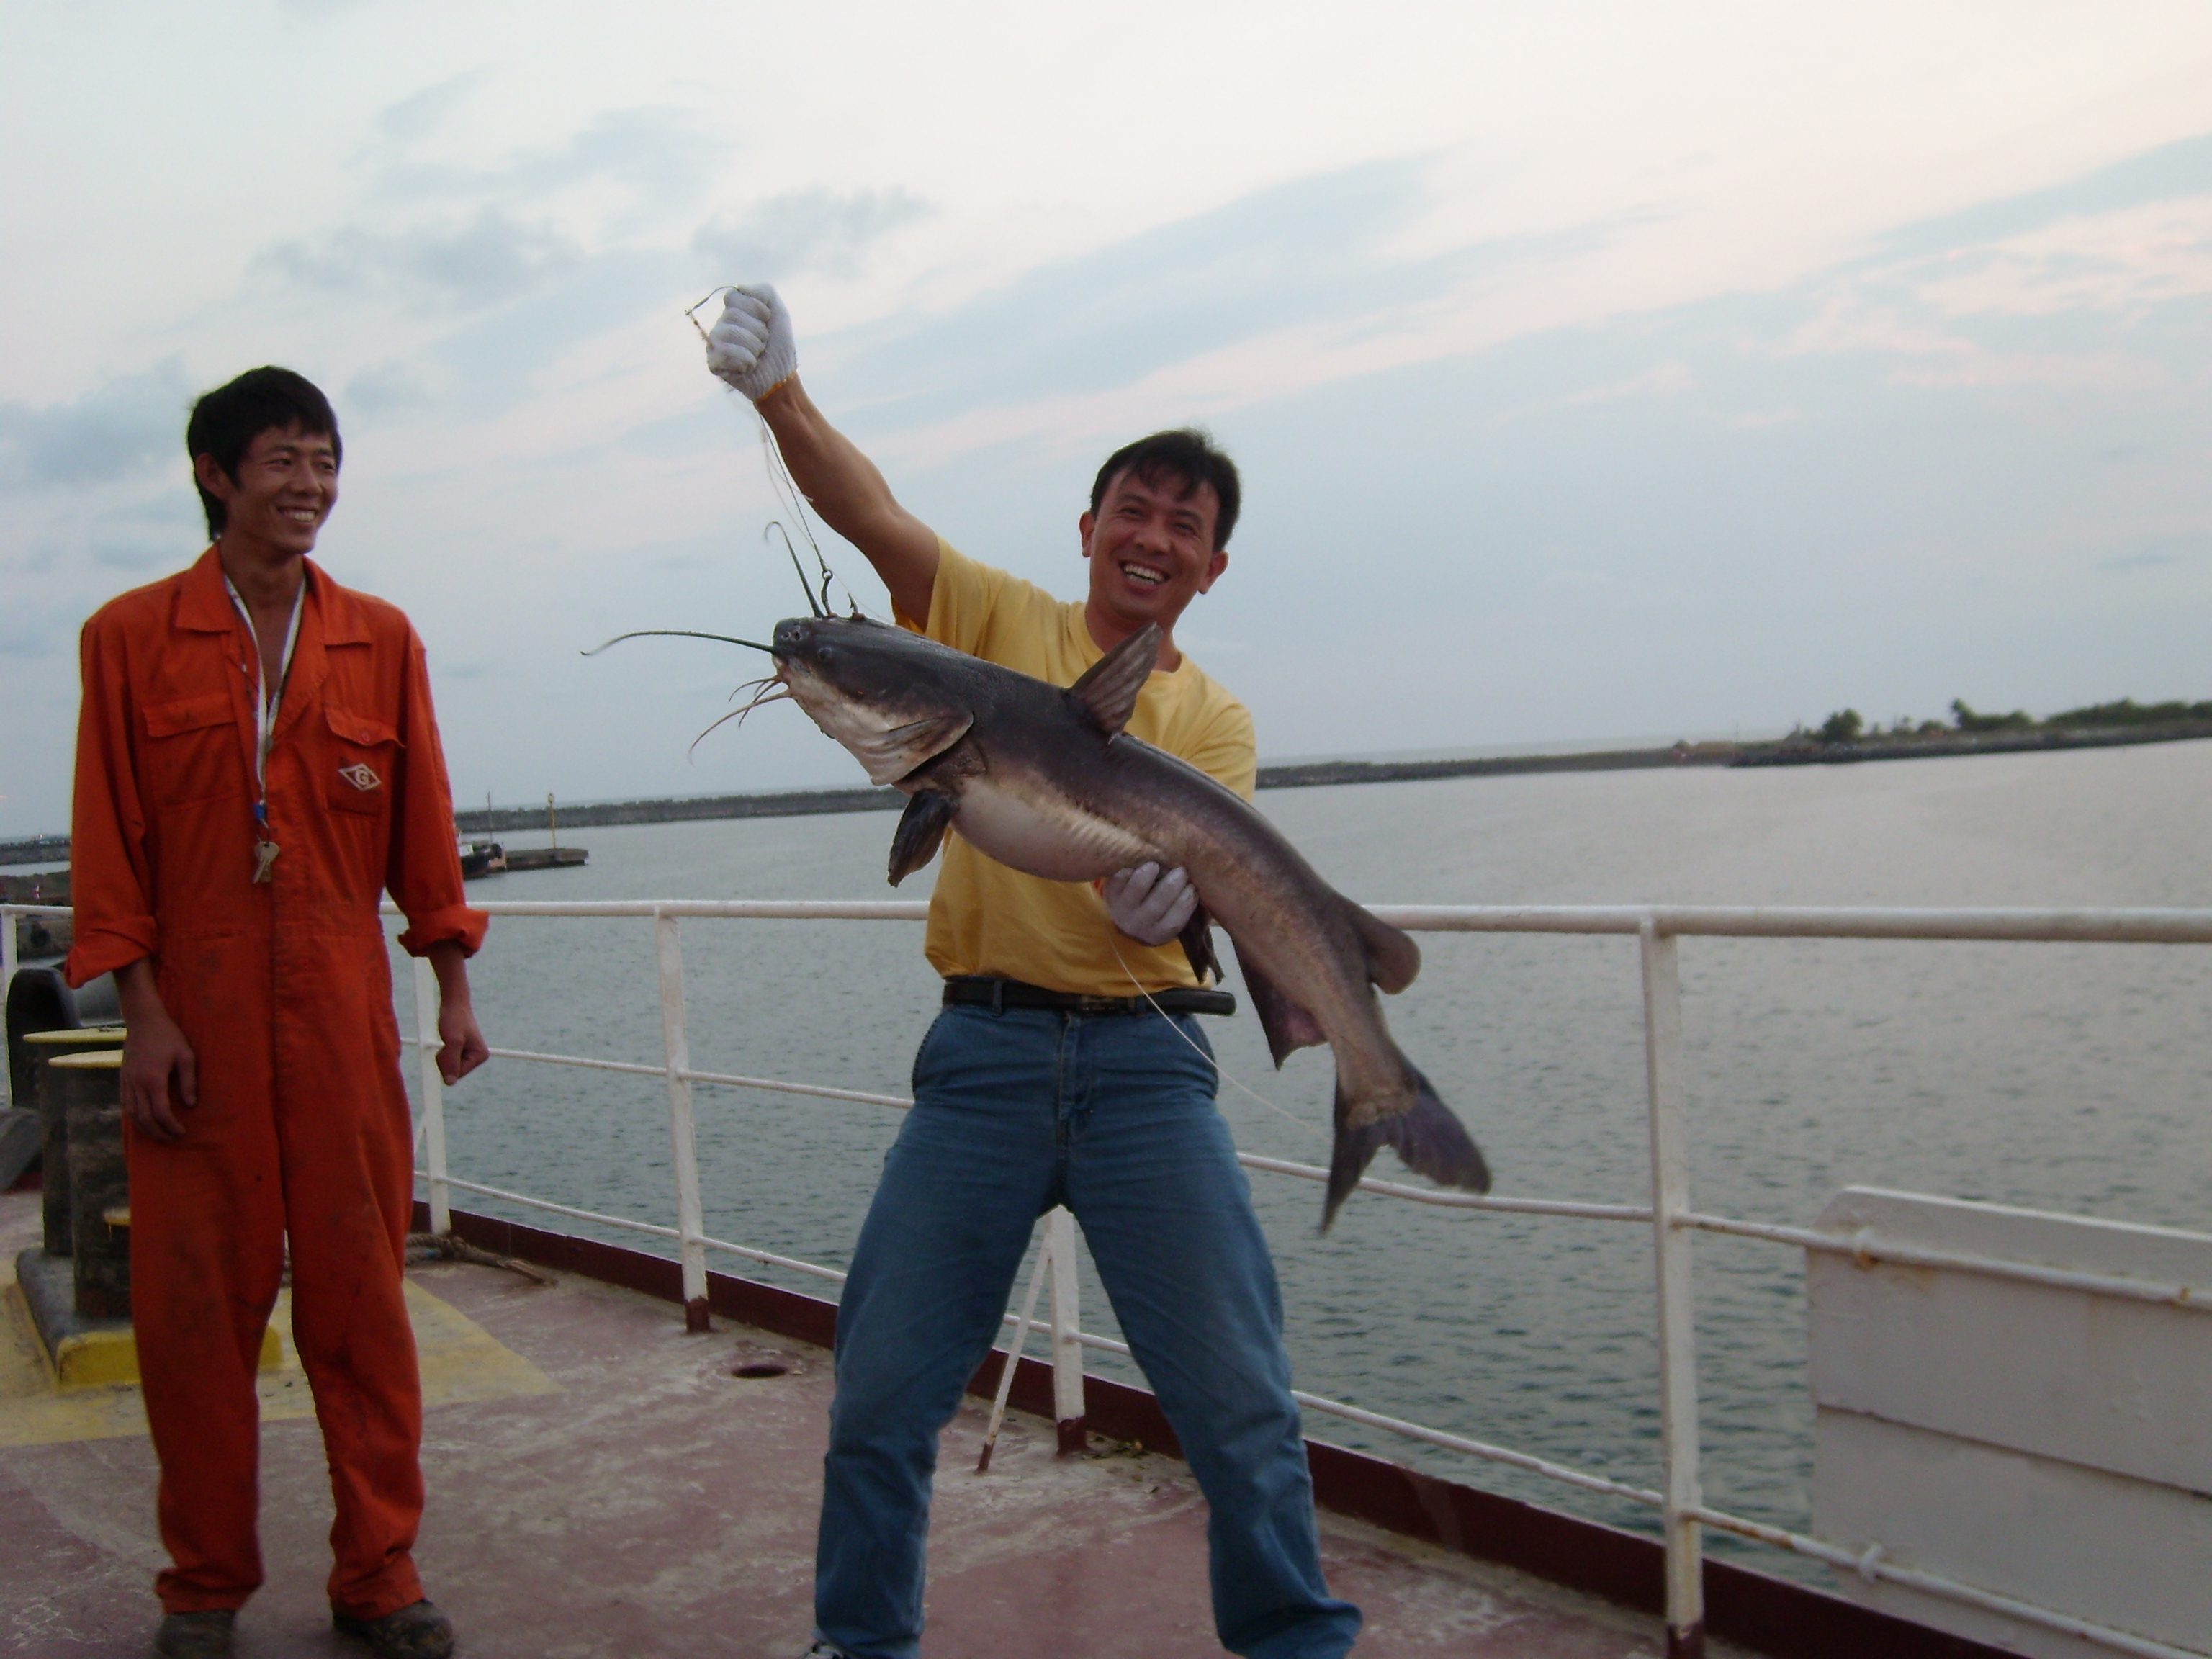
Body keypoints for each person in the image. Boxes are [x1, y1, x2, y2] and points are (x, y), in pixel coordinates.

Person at [704, 287, 1363, 1659]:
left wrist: (1159, 907)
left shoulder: (1212, 720)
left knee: (1241, 1403)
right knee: (882, 1397)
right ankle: (861, 1644)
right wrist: (782, 399)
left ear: (1211, 570)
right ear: (1088, 530)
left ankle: (1297, 1641)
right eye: (1136, 507)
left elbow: (1197, 898)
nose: (1155, 535)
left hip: (1151, 1070)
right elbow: (868, 517)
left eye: (1187, 525)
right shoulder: (992, 623)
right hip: (983, 1065)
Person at [65, 367, 490, 1659]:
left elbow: (422, 825)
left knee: (363, 1307)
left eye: (323, 461)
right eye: (282, 461)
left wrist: (451, 972)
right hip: (194, 1020)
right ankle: (203, 1586)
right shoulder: (128, 637)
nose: (308, 486)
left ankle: (381, 1574)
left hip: (343, 1014)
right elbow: (108, 840)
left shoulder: (381, 636)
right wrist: (142, 1011)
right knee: (197, 1317)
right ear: (216, 474)